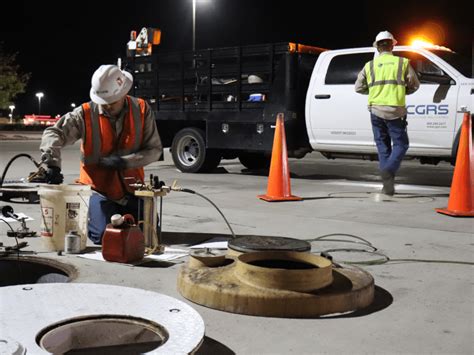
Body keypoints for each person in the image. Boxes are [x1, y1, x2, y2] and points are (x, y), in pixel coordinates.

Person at [40, 64, 163, 244]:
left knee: (149, 233)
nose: (105, 107)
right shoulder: (84, 113)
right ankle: (99, 216)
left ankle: (120, 218)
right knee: (104, 237)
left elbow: (154, 149)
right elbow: (54, 133)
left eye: (111, 103)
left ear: (123, 94)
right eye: (102, 102)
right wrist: (52, 163)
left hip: (132, 189)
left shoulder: (142, 109)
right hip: (97, 190)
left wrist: (125, 162)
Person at [355, 31, 420, 195]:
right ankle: (389, 170)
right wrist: (403, 91)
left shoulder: (369, 65)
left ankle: (387, 184)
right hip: (395, 110)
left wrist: (374, 92)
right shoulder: (402, 63)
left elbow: (358, 87)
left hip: (375, 110)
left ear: (377, 47)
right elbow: (415, 85)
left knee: (383, 147)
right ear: (392, 45)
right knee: (401, 144)